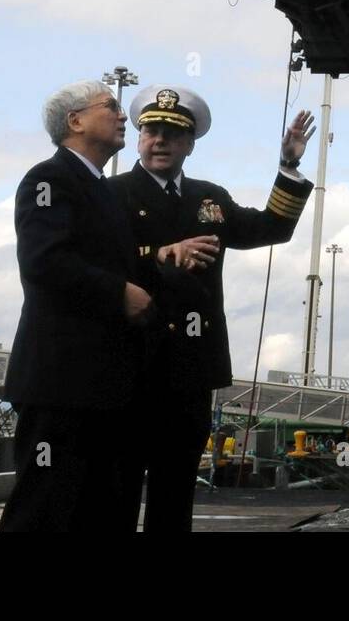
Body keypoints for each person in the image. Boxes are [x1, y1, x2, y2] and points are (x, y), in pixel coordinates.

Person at [112, 85, 315, 532]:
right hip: (129, 360)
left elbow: (272, 228)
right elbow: (97, 265)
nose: (160, 140)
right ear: (139, 138)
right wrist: (162, 254)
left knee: (177, 482)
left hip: (190, 363)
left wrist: (289, 165)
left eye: (171, 133)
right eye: (151, 131)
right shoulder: (111, 194)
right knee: (120, 482)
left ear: (189, 143)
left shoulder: (210, 198)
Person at [0, 81, 157, 532]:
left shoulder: (102, 191)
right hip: (61, 383)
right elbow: (44, 260)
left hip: (104, 385)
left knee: (101, 509)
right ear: (75, 121)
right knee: (46, 507)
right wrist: (118, 292)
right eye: (111, 106)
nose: (123, 116)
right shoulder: (48, 179)